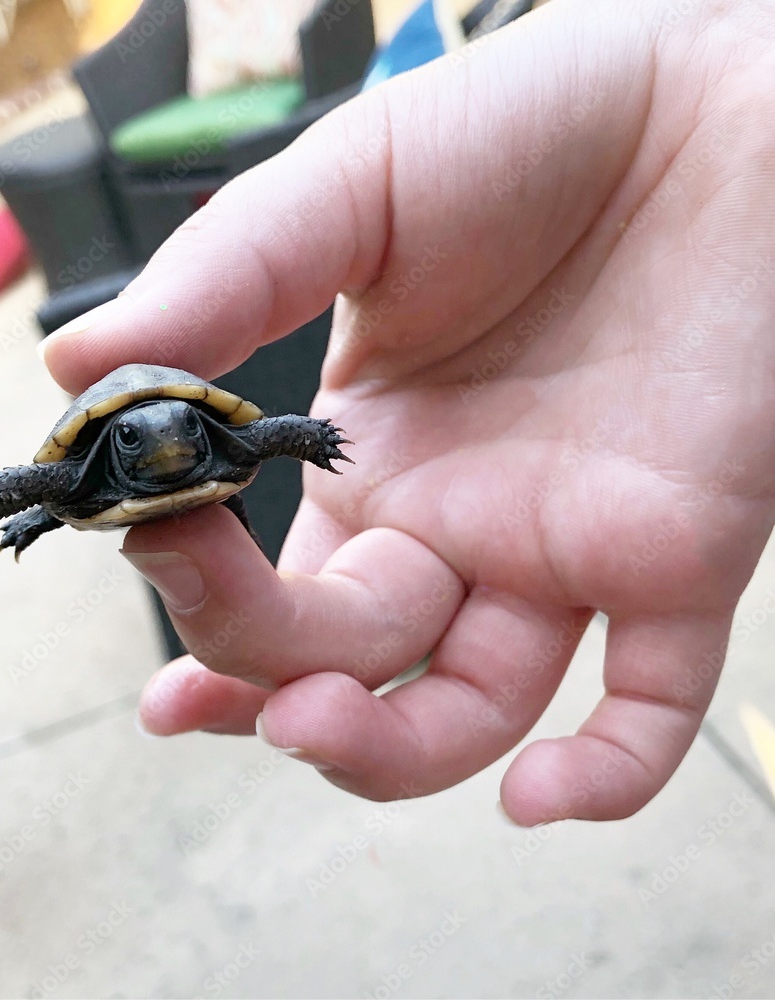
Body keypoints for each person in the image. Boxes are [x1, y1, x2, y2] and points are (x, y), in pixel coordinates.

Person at [39, 0, 775, 826]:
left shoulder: (198, 432)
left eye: (181, 428)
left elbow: (244, 433)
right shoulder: (104, 452)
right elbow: (69, 466)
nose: (174, 437)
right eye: (146, 435)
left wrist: (731, 68)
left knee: (231, 455)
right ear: (119, 444)